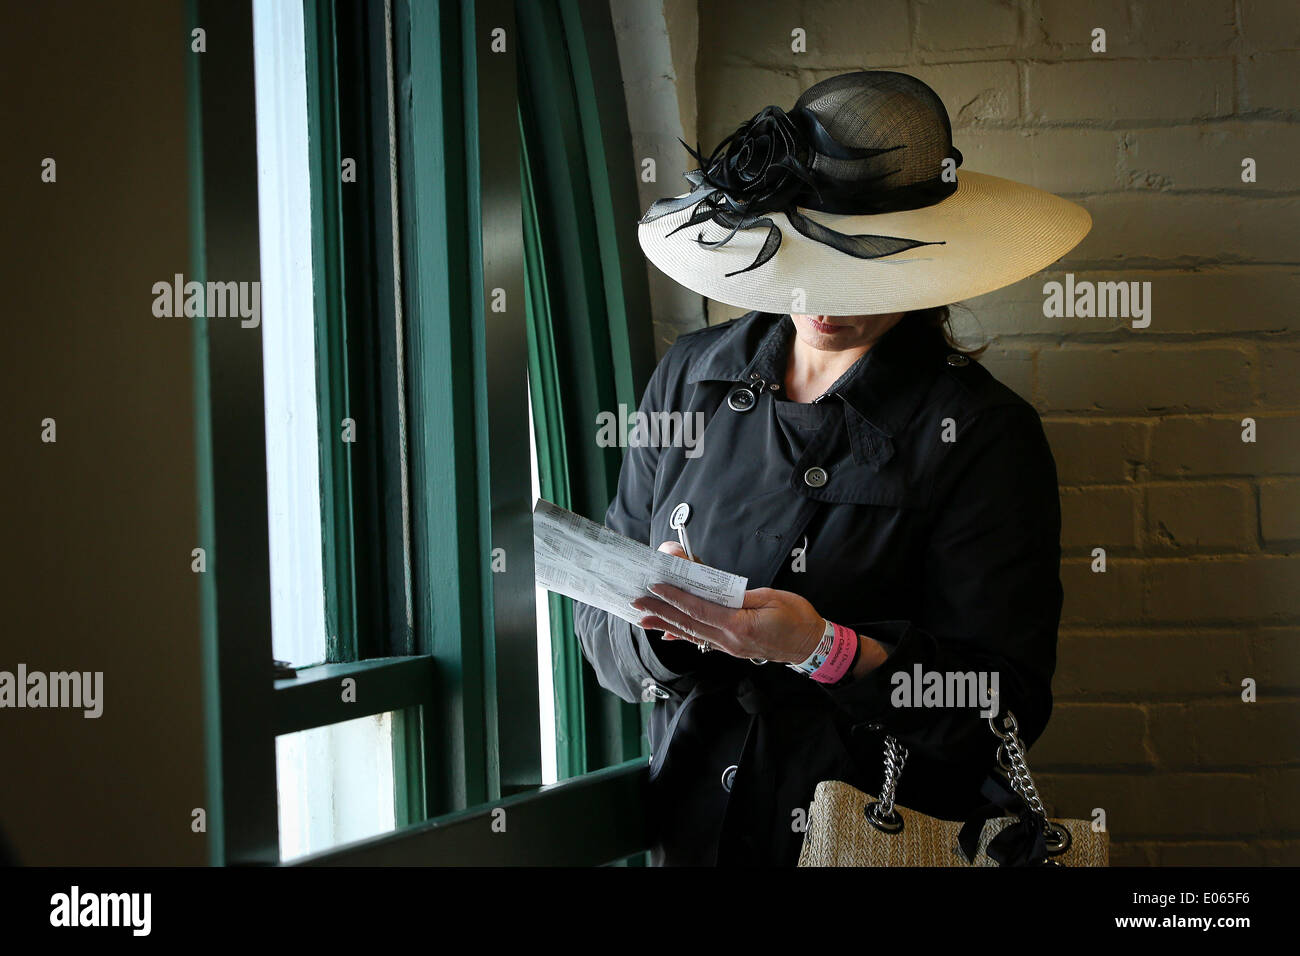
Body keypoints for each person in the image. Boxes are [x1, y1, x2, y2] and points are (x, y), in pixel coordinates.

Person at [572, 71, 1091, 866]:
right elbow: (600, 638)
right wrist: (664, 629)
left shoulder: (983, 434)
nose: (825, 297)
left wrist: (826, 650)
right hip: (691, 838)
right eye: (808, 252)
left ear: (926, 266)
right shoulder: (689, 375)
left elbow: (1001, 708)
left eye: (863, 267)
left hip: (871, 843)